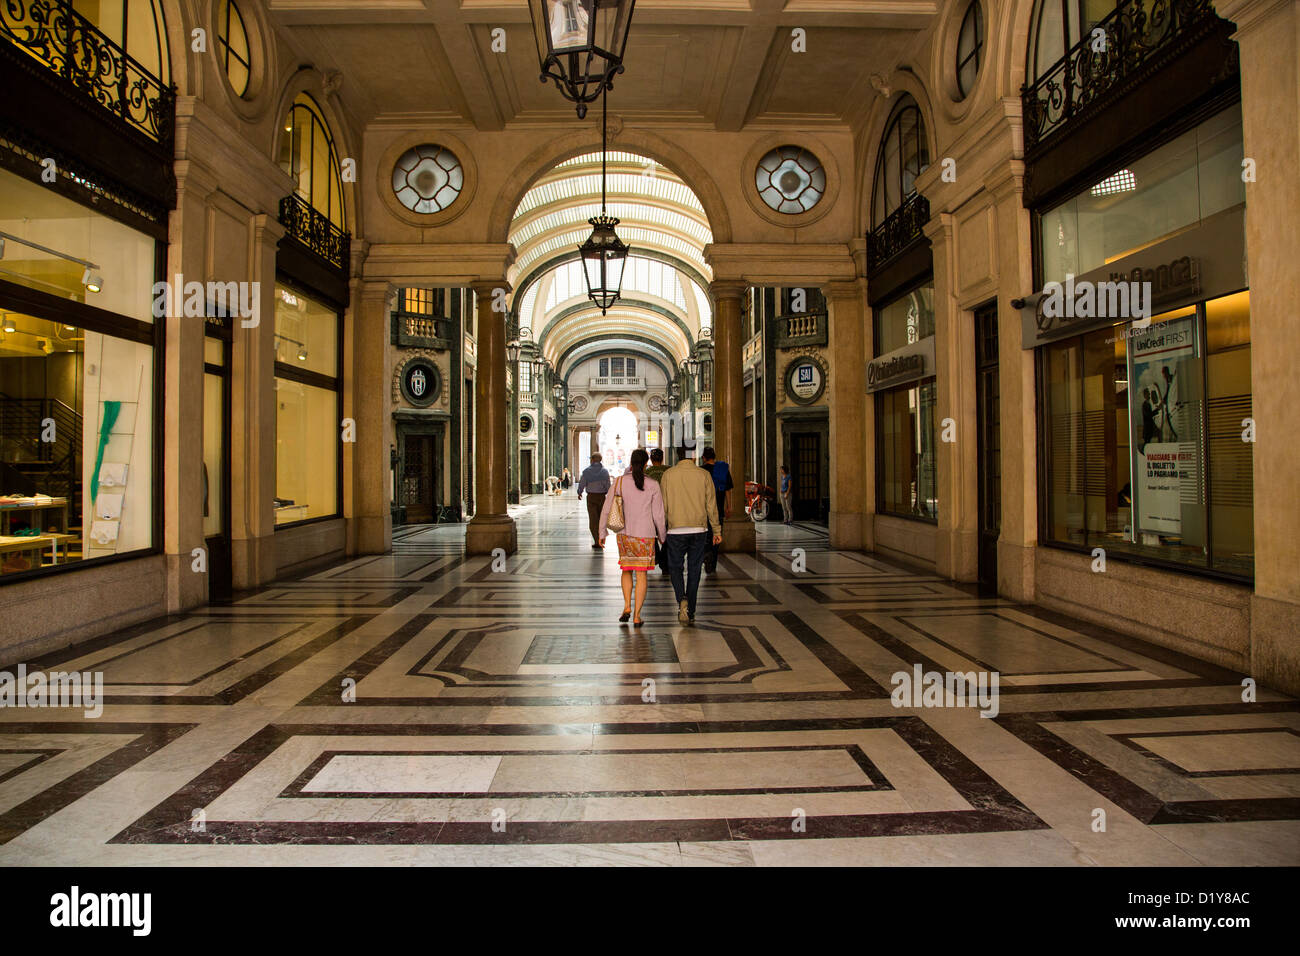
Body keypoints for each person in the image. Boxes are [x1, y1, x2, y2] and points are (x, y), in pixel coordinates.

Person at [598, 448, 666, 627]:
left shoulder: (619, 482)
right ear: (646, 464)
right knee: (641, 574)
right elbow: (658, 514)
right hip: (645, 535)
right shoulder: (652, 484)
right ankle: (637, 616)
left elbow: (606, 508)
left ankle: (627, 606)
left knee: (626, 569)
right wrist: (662, 535)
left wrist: (602, 533)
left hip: (624, 535)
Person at [659, 448, 722, 624]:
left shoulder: (668, 475)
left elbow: (663, 505)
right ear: (693, 455)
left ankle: (682, 599)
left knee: (675, 568)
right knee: (694, 570)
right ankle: (691, 611)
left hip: (675, 529)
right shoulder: (703, 475)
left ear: (678, 455)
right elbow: (711, 505)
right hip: (698, 529)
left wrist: (660, 530)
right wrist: (716, 530)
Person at [699, 446, 733, 573]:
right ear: (714, 457)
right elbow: (728, 489)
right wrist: (729, 506)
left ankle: (706, 553)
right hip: (718, 508)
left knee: (704, 534)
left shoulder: (701, 471)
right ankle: (712, 564)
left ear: (703, 458)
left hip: (703, 509)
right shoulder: (723, 470)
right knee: (717, 535)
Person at [576, 453, 611, 549]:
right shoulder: (604, 472)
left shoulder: (587, 471)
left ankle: (597, 541)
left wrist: (579, 492)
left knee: (593, 519)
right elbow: (608, 486)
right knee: (602, 519)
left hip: (591, 497)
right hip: (601, 497)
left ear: (592, 460)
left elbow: (582, 483)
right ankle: (602, 539)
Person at [645, 448, 669, 573]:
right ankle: (665, 562)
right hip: (667, 507)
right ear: (662, 458)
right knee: (667, 535)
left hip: (651, 508)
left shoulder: (647, 472)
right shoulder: (669, 470)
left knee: (652, 534)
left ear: (651, 459)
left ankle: (657, 556)